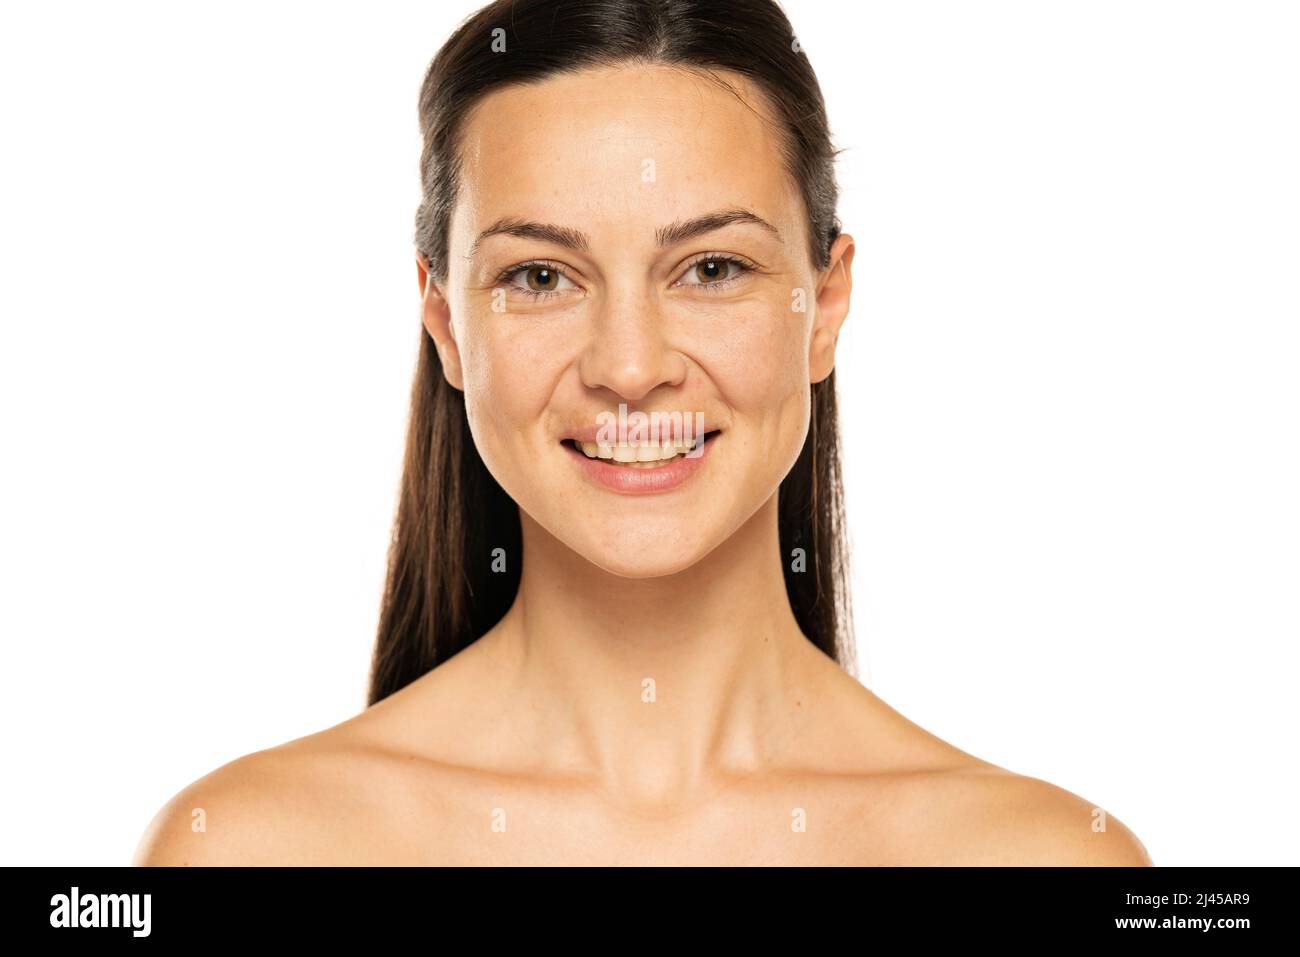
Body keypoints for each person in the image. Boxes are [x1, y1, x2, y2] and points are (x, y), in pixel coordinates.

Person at [134, 0, 1152, 865]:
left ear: (825, 303)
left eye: (711, 269)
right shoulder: (253, 852)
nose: (629, 366)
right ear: (445, 322)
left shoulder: (1046, 860)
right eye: (539, 277)